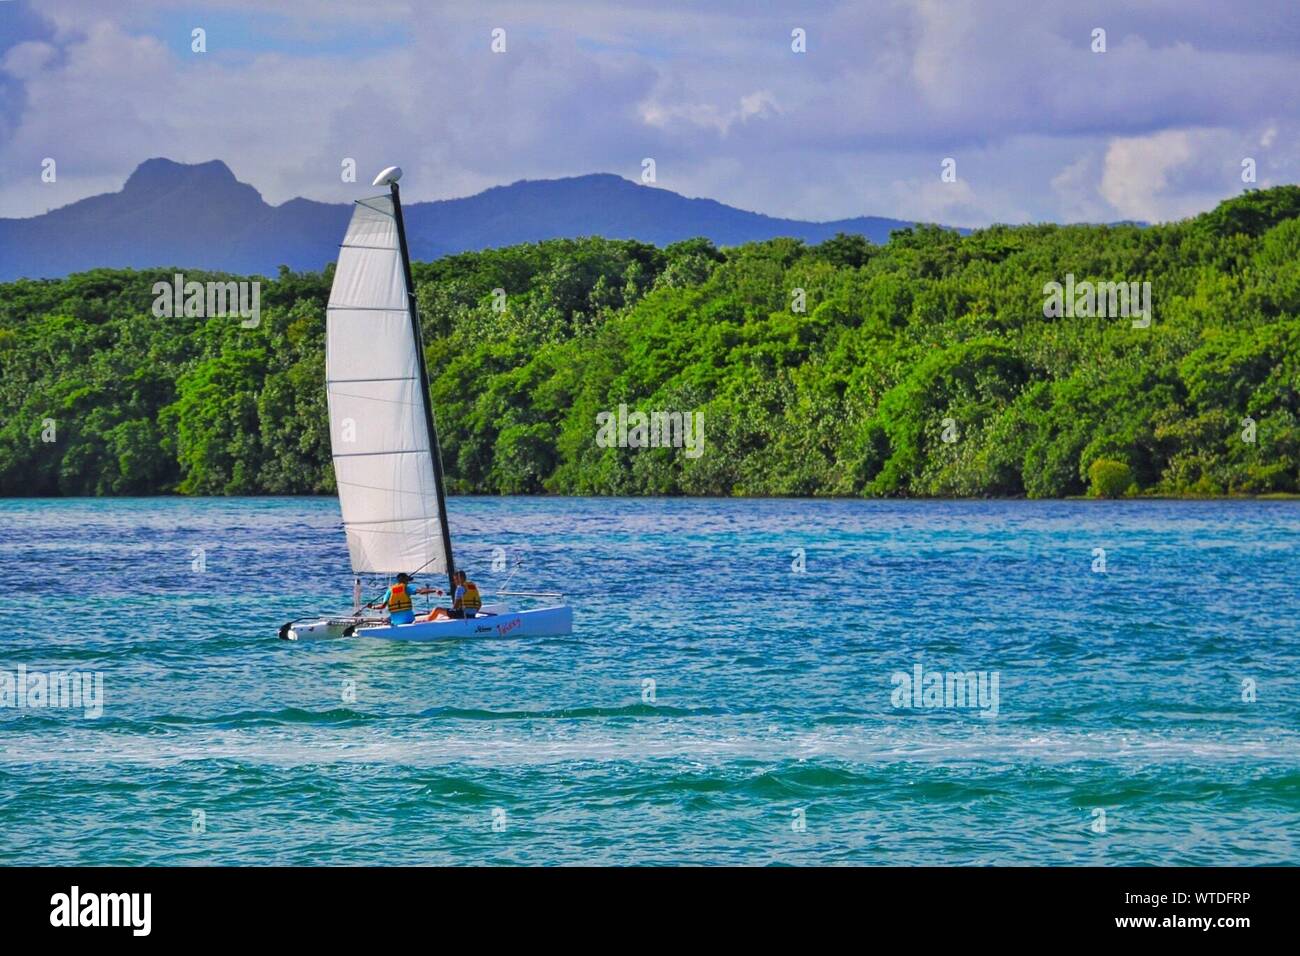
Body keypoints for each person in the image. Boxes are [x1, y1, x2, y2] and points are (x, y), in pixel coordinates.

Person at [417, 570, 482, 622]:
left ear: (461, 578)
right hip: (472, 614)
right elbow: (479, 604)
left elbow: (456, 606)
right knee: (446, 612)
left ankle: (426, 622)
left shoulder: (460, 588)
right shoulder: (472, 586)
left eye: (456, 579)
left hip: (462, 614)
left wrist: (451, 614)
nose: (455, 581)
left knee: (437, 609)